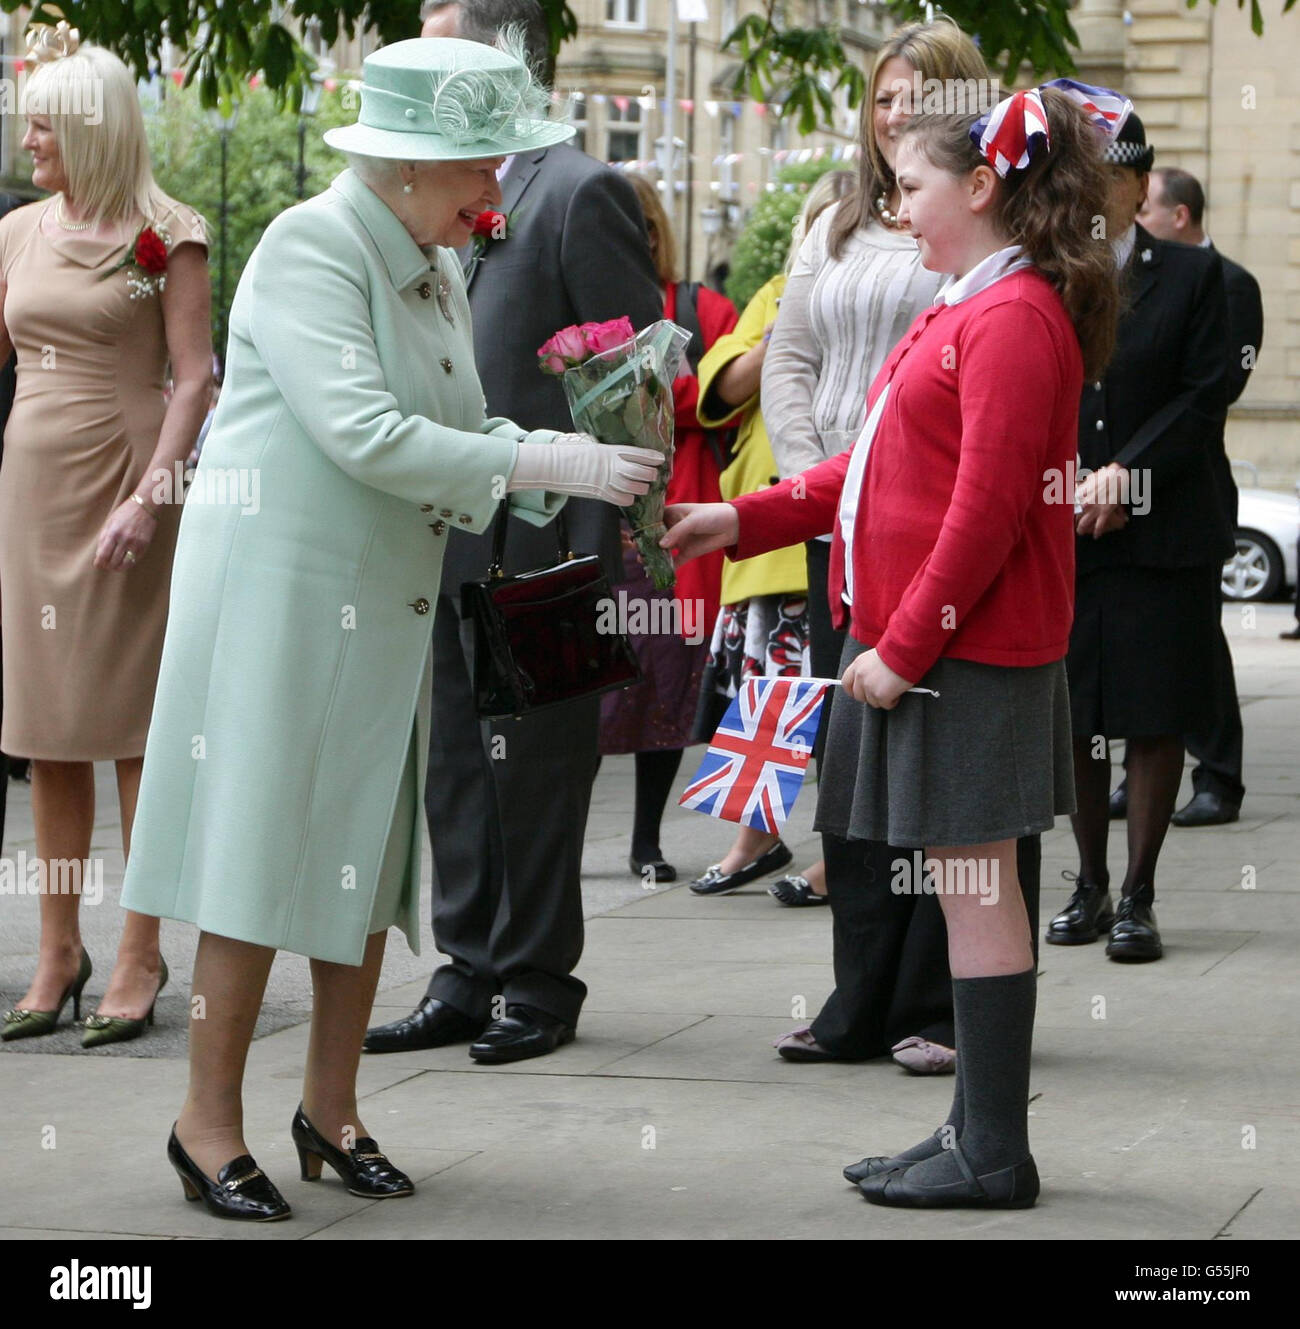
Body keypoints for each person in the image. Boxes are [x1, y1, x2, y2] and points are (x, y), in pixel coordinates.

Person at [117, 37, 662, 1222]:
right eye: (477, 163)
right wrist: (540, 455)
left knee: (361, 863)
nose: (490, 188)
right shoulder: (312, 246)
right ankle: (205, 1125)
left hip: (376, 604)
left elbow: (448, 435)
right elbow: (363, 433)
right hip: (283, 601)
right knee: (255, 862)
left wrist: (567, 470)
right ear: (410, 164)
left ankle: (332, 1110)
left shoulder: (429, 260)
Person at [664, 83, 1119, 1208]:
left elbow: (987, 513)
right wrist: (744, 517)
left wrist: (905, 648)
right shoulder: (970, 302)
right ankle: (973, 1130)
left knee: (973, 887)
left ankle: (994, 1151)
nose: (897, 208)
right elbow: (869, 472)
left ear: (976, 188)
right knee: (970, 887)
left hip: (968, 661)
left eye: (911, 188)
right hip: (951, 656)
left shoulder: (1007, 319)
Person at [363, 0, 663, 1065]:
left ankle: (536, 979)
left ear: (505, 56)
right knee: (454, 759)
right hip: (449, 523)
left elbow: (638, 376)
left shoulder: (583, 190)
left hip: (550, 533)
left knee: (535, 764)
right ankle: (466, 968)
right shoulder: (447, 193)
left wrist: (604, 502)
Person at [759, 20, 1042, 1077]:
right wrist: (798, 489)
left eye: (915, 104)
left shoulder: (993, 291)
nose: (890, 120)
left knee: (960, 827)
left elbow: (985, 492)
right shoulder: (848, 222)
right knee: (867, 800)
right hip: (850, 528)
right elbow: (792, 354)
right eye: (880, 98)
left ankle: (952, 1040)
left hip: (937, 571)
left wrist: (907, 629)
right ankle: (873, 1009)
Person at [0, 32, 211, 1047]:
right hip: (31, 487)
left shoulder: (168, 232)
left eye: (41, 119)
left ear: (90, 128)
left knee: (133, 729)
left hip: (131, 487)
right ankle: (56, 952)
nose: (25, 134)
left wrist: (149, 495)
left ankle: (138, 948)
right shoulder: (19, 230)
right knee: (46, 731)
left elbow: (195, 378)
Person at [1052, 115, 1231, 963]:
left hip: (1163, 533)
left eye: (1104, 180)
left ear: (1135, 185)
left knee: (1153, 715)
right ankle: (1087, 882)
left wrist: (1127, 473)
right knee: (1082, 715)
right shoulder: (1052, 276)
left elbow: (1202, 395)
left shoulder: (1197, 277)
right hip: (1073, 529)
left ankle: (1138, 893)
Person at [690, 169, 853, 907]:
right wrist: (792, 315)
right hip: (762, 529)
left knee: (822, 705)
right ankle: (754, 838)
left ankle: (830, 854)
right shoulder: (777, 294)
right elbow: (717, 388)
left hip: (822, 534)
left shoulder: (875, 304)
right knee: (763, 697)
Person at [597, 174, 736, 883]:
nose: (634, 245)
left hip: (677, 519)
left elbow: (726, 395)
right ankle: (560, 839)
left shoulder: (700, 307)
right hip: (599, 517)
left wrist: (657, 398)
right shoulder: (585, 304)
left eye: (643, 230)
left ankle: (646, 841)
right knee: (587, 682)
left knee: (666, 684)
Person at [1114, 165, 1262, 826]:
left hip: (1188, 488)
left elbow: (1214, 390)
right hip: (1118, 488)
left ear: (1178, 216)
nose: (1133, 227)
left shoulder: (1231, 283)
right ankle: (1136, 772)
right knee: (1135, 643)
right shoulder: (1119, 277)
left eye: (1146, 213)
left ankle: (1218, 774)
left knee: (1198, 640)